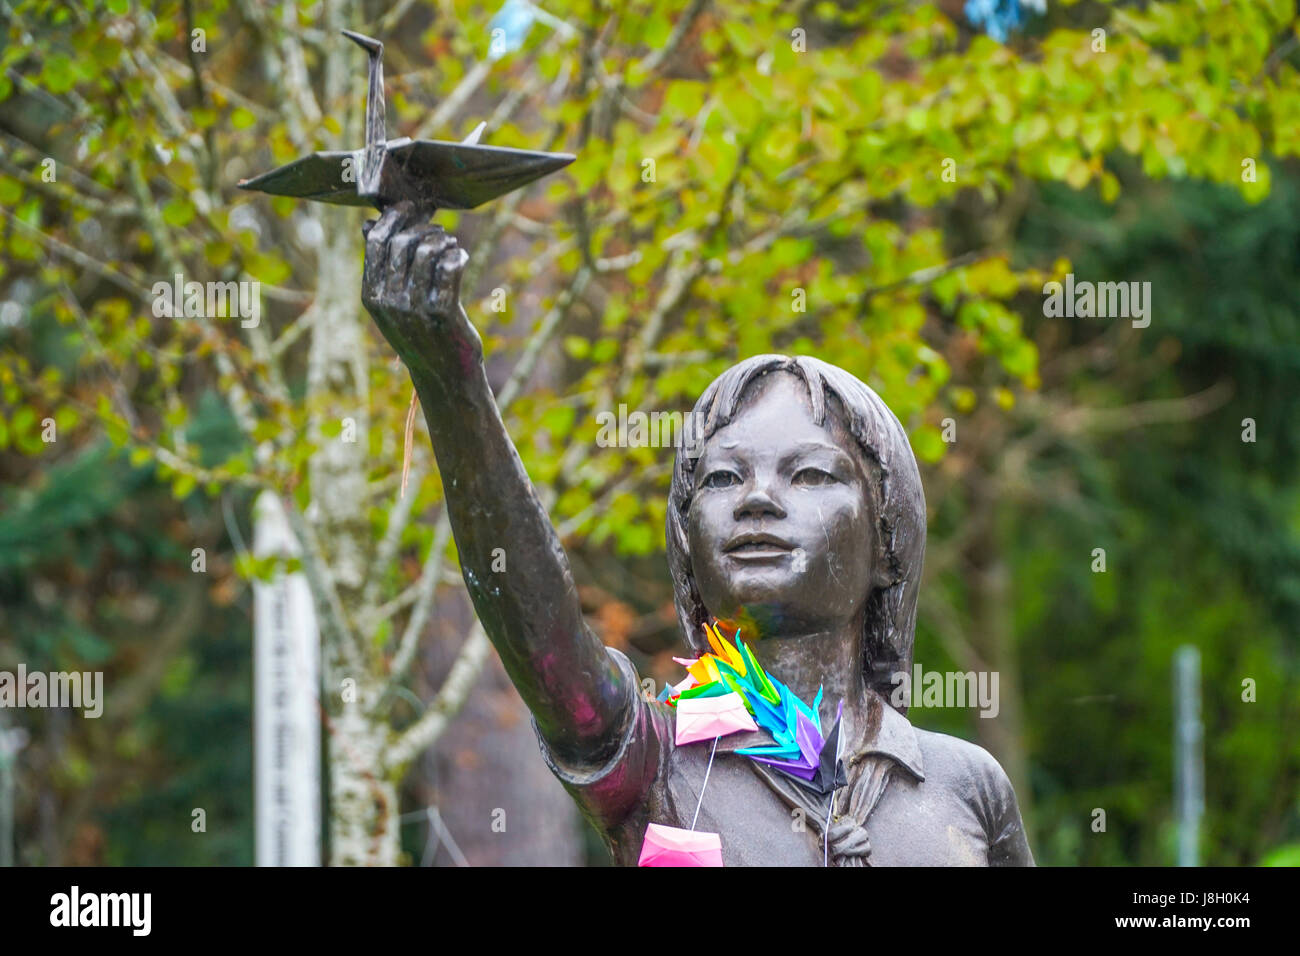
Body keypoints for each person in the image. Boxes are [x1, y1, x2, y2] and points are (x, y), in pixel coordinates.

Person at [360, 202, 1034, 866]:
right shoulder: (660, 765)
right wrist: (453, 380)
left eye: (809, 476)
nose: (757, 499)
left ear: (888, 540)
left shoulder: (965, 791)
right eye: (720, 480)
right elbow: (548, 643)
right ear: (686, 545)